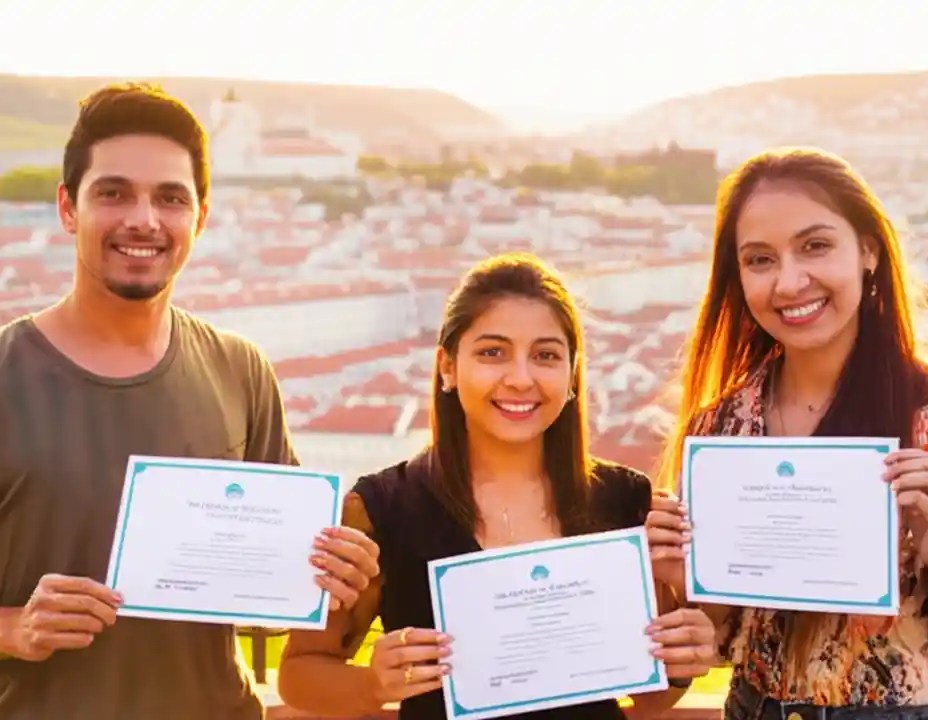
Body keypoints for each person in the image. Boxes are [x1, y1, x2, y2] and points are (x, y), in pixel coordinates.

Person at [0, 82, 380, 720]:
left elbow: (274, 591)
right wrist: (9, 630)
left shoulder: (241, 369)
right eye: (113, 192)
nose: (143, 219)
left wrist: (338, 573)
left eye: (170, 198)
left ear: (200, 218)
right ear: (69, 207)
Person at [646, 147, 928, 720]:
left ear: (868, 249)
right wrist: (686, 584)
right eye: (760, 260)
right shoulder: (723, 428)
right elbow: (721, 639)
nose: (789, 281)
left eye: (815, 246)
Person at [276, 252, 718, 719]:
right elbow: (299, 674)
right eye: (492, 352)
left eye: (545, 355)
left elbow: (648, 699)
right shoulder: (382, 507)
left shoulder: (626, 502)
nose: (520, 378)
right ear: (447, 366)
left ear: (571, 374)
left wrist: (683, 659)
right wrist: (373, 684)